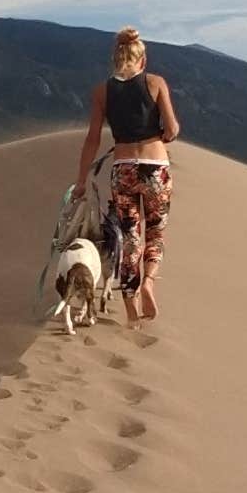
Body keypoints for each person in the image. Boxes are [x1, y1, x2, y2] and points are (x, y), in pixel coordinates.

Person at [75, 26, 180, 324]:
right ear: (142, 59)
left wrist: (82, 180)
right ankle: (149, 282)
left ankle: (130, 302)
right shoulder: (156, 83)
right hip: (155, 168)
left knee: (129, 237)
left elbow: (92, 139)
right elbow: (172, 129)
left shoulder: (101, 92)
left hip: (123, 170)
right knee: (155, 232)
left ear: (116, 59)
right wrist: (161, 134)